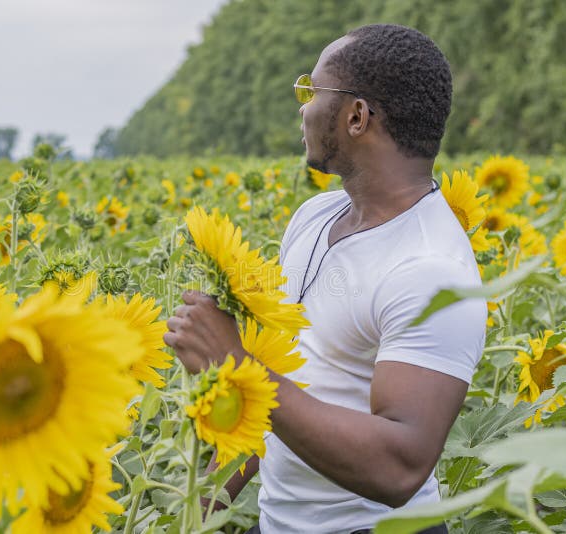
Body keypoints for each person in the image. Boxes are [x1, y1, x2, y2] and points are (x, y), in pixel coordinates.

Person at [163, 24, 486, 534]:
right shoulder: (315, 217)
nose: (303, 107)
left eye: (312, 91)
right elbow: (296, 377)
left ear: (356, 116)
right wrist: (209, 496)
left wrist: (236, 363)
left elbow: (400, 466)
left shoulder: (432, 269)